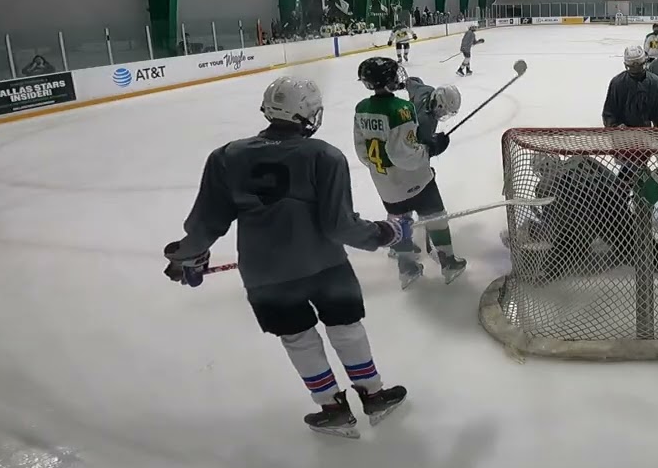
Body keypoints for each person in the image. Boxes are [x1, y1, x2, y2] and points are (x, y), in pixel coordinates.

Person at [162, 76, 407, 438]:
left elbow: (206, 222)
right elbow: (339, 225)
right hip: (326, 265)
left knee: (298, 338)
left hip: (266, 274)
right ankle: (373, 395)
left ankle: (332, 409)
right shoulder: (324, 156)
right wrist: (384, 233)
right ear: (307, 114)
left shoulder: (226, 157)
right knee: (346, 327)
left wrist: (187, 256)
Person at [353, 57, 467, 286]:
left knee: (399, 220)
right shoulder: (403, 110)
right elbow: (403, 155)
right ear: (388, 80)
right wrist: (431, 149)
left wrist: (383, 172)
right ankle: (448, 263)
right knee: (435, 216)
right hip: (416, 180)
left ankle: (407, 269)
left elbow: (362, 151)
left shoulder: (361, 109)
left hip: (385, 184)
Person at [603, 45, 658, 129]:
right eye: (633, 68)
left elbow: (657, 114)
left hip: (645, 131)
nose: (636, 69)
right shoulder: (617, 83)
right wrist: (615, 126)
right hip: (622, 132)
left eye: (639, 66)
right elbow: (608, 114)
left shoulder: (654, 82)